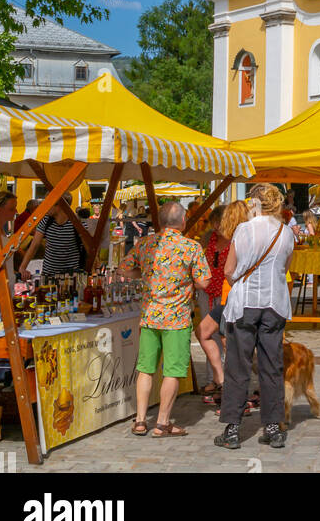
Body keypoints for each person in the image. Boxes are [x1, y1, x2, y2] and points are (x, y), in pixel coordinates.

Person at [119, 201, 210, 438]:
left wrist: (147, 274)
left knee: (145, 369)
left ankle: (140, 420)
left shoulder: (146, 244)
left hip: (149, 316)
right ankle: (162, 423)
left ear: (159, 222)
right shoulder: (191, 247)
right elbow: (204, 282)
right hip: (177, 318)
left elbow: (124, 269)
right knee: (172, 370)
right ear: (183, 221)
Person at [215, 183, 295, 451]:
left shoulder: (244, 229)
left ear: (255, 204)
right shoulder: (286, 233)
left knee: (238, 366)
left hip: (245, 303)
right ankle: (273, 427)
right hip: (273, 303)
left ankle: (232, 429)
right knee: (271, 365)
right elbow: (285, 268)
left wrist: (239, 280)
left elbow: (229, 268)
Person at [196, 206, 230, 401]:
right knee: (208, 335)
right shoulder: (207, 238)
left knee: (224, 335)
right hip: (206, 291)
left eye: (220, 222)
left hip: (225, 292)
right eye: (214, 222)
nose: (216, 226)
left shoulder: (235, 240)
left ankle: (225, 379)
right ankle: (213, 378)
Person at [18, 197, 88, 281]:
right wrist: (22, 268)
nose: (45, 207)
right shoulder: (46, 221)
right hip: (48, 275)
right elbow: (34, 245)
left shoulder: (77, 223)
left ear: (59, 205)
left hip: (71, 277)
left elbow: (89, 248)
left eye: (48, 204)